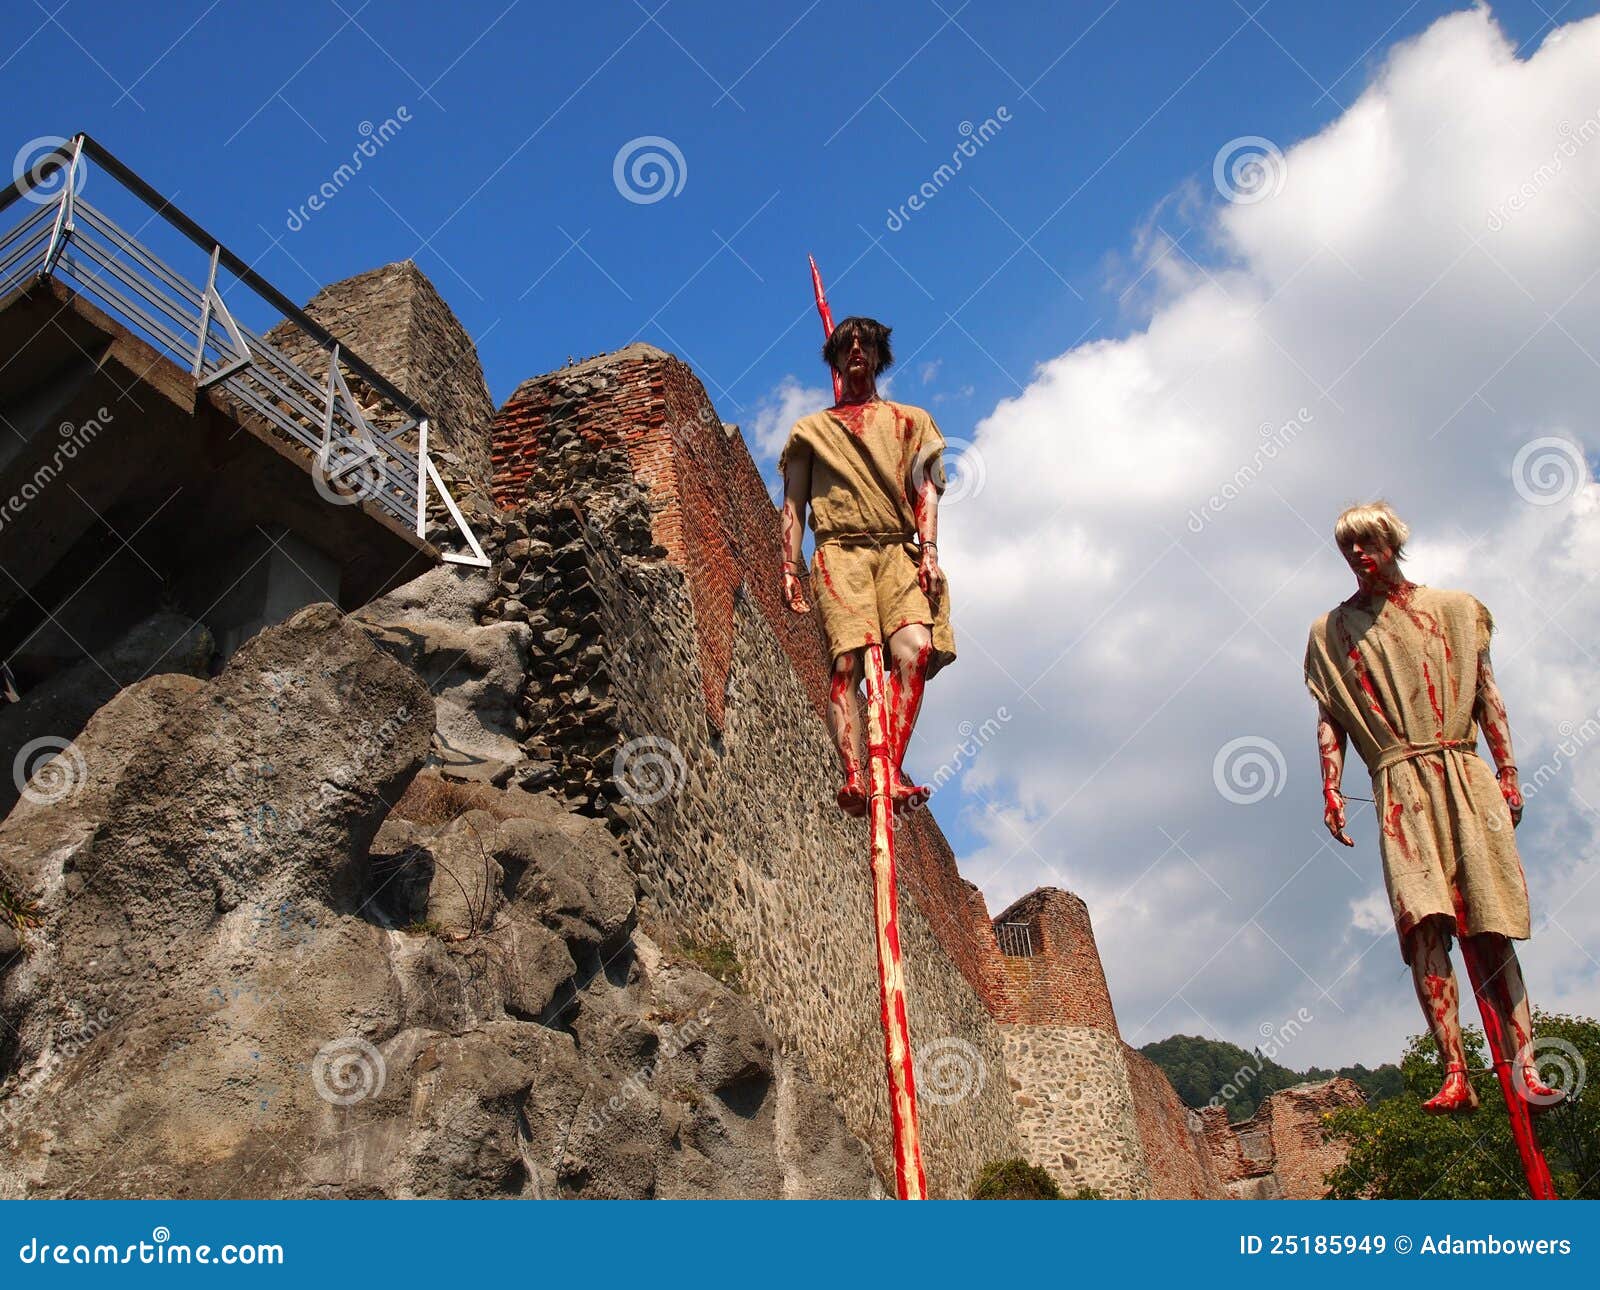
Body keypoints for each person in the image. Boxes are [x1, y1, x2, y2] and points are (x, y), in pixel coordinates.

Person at [1303, 501, 1563, 1114]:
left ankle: (1526, 1064)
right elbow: (1331, 717)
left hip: (1463, 771)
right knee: (1422, 921)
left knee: (1490, 921)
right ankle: (1455, 1070)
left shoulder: (1456, 610)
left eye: (1368, 542)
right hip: (1398, 782)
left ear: (1392, 543)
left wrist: (1508, 771)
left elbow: (1487, 696)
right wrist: (1332, 788)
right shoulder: (1330, 632)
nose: (1358, 554)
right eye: (1348, 546)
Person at [778, 316, 956, 817]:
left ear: (879, 355)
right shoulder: (811, 431)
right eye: (846, 344)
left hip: (898, 550)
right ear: (835, 360)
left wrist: (930, 552)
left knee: (916, 650)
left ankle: (890, 770)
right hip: (840, 551)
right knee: (847, 664)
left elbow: (926, 491)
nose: (856, 348)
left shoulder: (911, 421)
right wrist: (789, 567)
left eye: (866, 343)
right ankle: (855, 775)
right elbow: (793, 504)